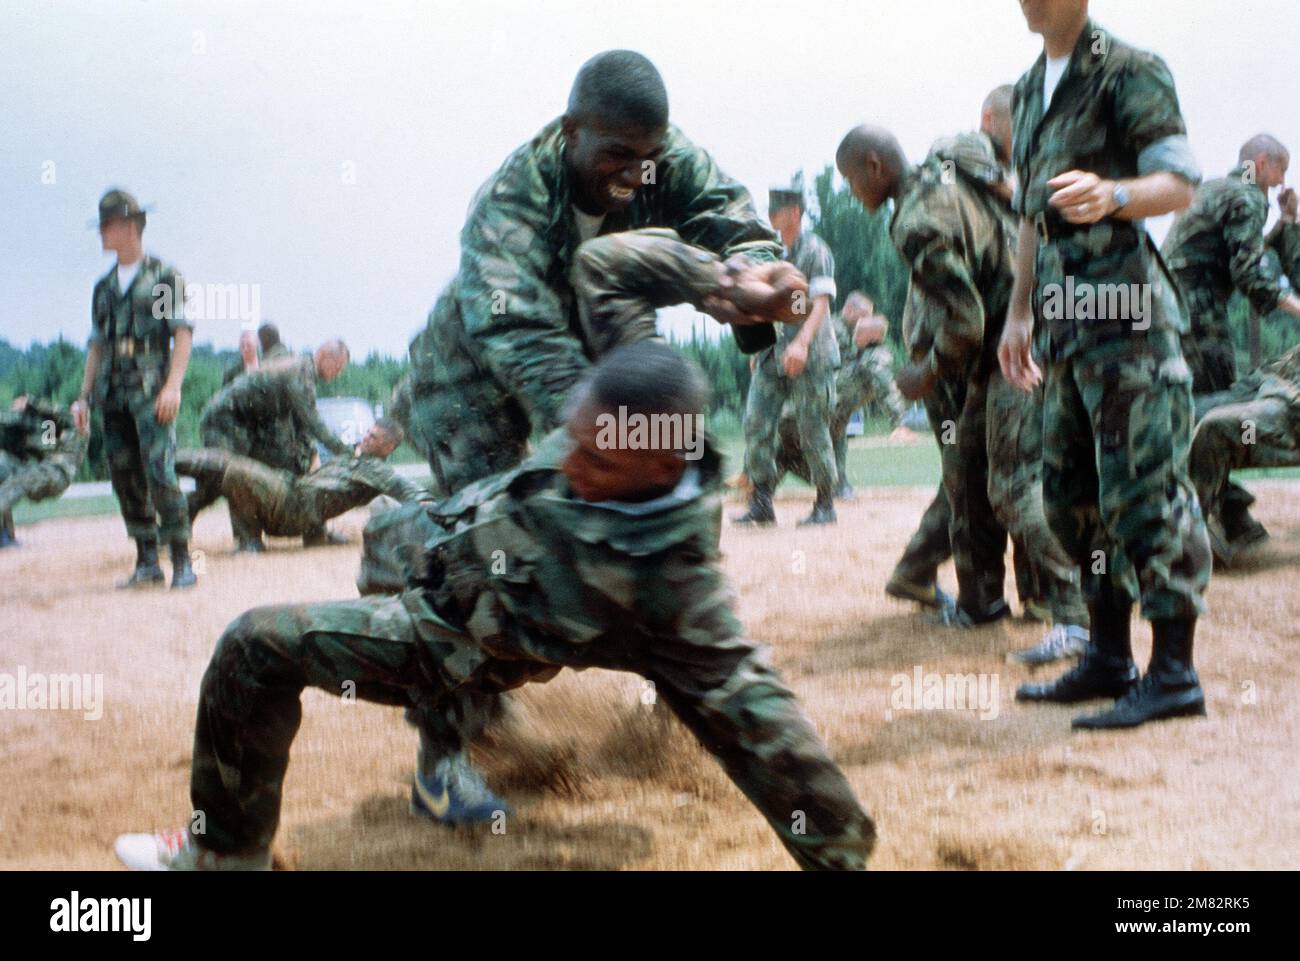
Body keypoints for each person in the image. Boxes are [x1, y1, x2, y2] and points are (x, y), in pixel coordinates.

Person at [113, 342, 877, 872]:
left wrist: (839, 845)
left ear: (661, 463)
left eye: (597, 461)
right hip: (424, 544)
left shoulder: (671, 593)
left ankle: (221, 858)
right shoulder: (605, 432)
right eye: (571, 442)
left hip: (445, 636)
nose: (571, 465)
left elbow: (762, 720)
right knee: (377, 511)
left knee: (253, 644)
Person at [406, 49, 798, 496]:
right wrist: (620, 430)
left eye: (647, 156)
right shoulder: (510, 200)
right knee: (500, 520)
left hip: (585, 348)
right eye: (618, 155)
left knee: (635, 499)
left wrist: (758, 273)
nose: (634, 175)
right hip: (469, 371)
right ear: (571, 132)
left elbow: (733, 221)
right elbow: (521, 334)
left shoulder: (658, 159)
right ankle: (403, 536)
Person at [999, 0, 1212, 729]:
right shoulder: (1027, 93)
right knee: (1072, 498)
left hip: (1129, 328)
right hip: (1064, 332)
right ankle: (1109, 655)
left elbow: (1181, 182)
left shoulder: (1129, 71)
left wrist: (1114, 195)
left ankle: (1176, 673)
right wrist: (1019, 311)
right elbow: (1031, 215)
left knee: (1144, 495)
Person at [836, 124, 1014, 627]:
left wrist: (927, 372)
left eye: (852, 182)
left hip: (961, 357)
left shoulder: (916, 219)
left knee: (969, 480)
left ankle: (983, 601)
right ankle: (974, 593)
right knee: (972, 473)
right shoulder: (946, 184)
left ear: (875, 166)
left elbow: (966, 319)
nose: (852, 194)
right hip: (986, 352)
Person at [1163, 134, 1300, 559]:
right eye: (1281, 171)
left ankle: (1231, 513)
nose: (1282, 183)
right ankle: (1215, 523)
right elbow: (1250, 271)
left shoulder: (1219, 190)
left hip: (1174, 310)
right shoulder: (1247, 196)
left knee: (1205, 410)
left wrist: (1287, 222)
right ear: (1261, 162)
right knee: (1216, 414)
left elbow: (1250, 250)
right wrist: (1293, 307)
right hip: (1196, 317)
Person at [71, 189, 195, 589]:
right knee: (124, 475)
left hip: (151, 388)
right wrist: (84, 396)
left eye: (106, 225)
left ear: (128, 226)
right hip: (112, 391)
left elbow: (182, 333)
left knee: (160, 473)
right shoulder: (104, 286)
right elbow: (96, 344)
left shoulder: (161, 277)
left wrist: (173, 386)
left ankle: (181, 559)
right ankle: (146, 560)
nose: (102, 233)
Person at [734, 186, 840, 527]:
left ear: (794, 212)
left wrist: (803, 344)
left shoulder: (815, 250)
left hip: (810, 355)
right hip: (773, 355)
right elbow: (769, 306)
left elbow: (821, 302)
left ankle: (825, 503)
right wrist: (760, 347)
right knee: (757, 422)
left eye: (776, 211)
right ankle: (762, 500)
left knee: (812, 428)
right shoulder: (774, 254)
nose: (770, 216)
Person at [189, 342, 351, 551]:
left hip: (251, 425)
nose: (337, 374)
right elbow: (313, 422)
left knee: (293, 465)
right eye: (337, 367)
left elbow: (301, 425)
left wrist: (310, 452)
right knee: (227, 476)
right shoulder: (299, 372)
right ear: (323, 355)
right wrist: (346, 452)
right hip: (226, 419)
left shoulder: (303, 371)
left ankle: (315, 531)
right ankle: (244, 539)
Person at [175, 419, 426, 543]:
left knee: (234, 469)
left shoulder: (379, 471)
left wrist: (436, 509)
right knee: (223, 463)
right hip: (290, 492)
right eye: (368, 433)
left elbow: (409, 490)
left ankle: (249, 544)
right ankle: (164, 465)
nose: (366, 438)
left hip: (291, 509)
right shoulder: (354, 455)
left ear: (388, 447)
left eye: (374, 438)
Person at [1189, 342, 1300, 562]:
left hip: (1288, 411)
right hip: (1271, 389)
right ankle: (1232, 520)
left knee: (1215, 427)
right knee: (1184, 415)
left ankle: (1191, 538)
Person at [0, 397, 87, 546]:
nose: (74, 412)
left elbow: (60, 413)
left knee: (20, 479)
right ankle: (5, 535)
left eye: (78, 411)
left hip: (58, 475)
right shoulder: (52, 429)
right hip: (41, 470)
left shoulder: (78, 429)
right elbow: (41, 444)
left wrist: (31, 402)